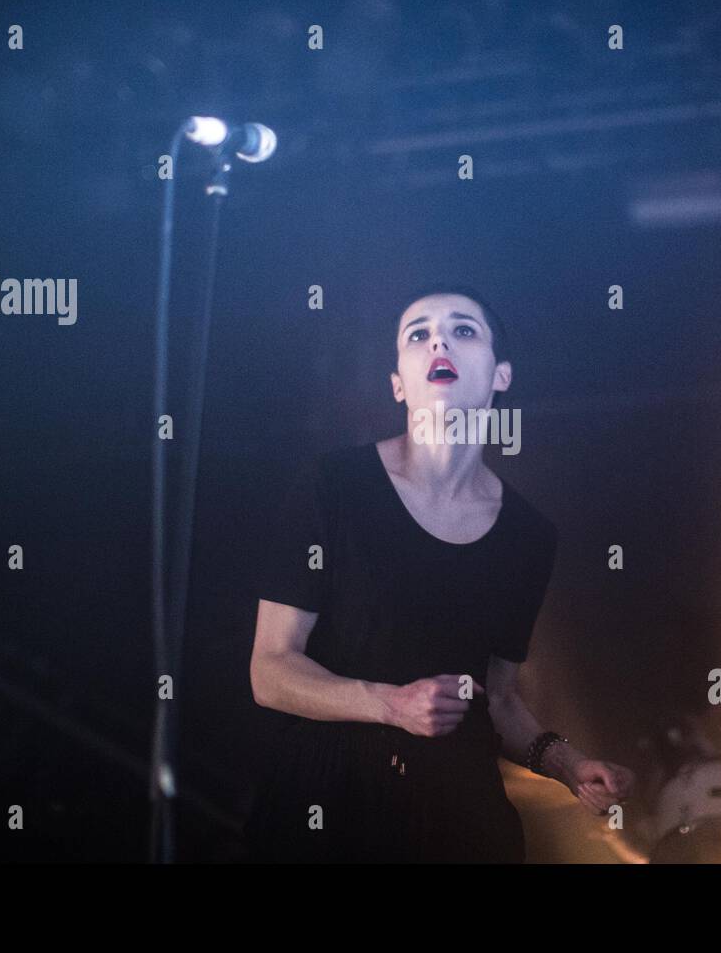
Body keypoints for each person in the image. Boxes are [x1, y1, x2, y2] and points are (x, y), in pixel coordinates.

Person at [244, 286, 635, 862]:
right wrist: (389, 703)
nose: (439, 341)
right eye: (418, 334)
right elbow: (269, 670)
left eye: (463, 330)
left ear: (501, 375)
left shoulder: (528, 535)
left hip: (459, 822)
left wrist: (567, 764)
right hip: (329, 811)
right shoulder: (333, 486)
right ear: (398, 383)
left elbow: (498, 701)